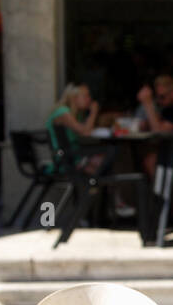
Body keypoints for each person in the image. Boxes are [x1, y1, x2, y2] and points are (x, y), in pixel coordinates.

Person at [45, 82, 134, 218]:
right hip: (66, 160)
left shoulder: (74, 114)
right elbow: (86, 132)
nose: (89, 99)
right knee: (106, 163)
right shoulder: (63, 113)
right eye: (85, 96)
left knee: (106, 164)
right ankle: (109, 208)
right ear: (74, 98)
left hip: (72, 157)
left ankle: (102, 212)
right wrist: (93, 112)